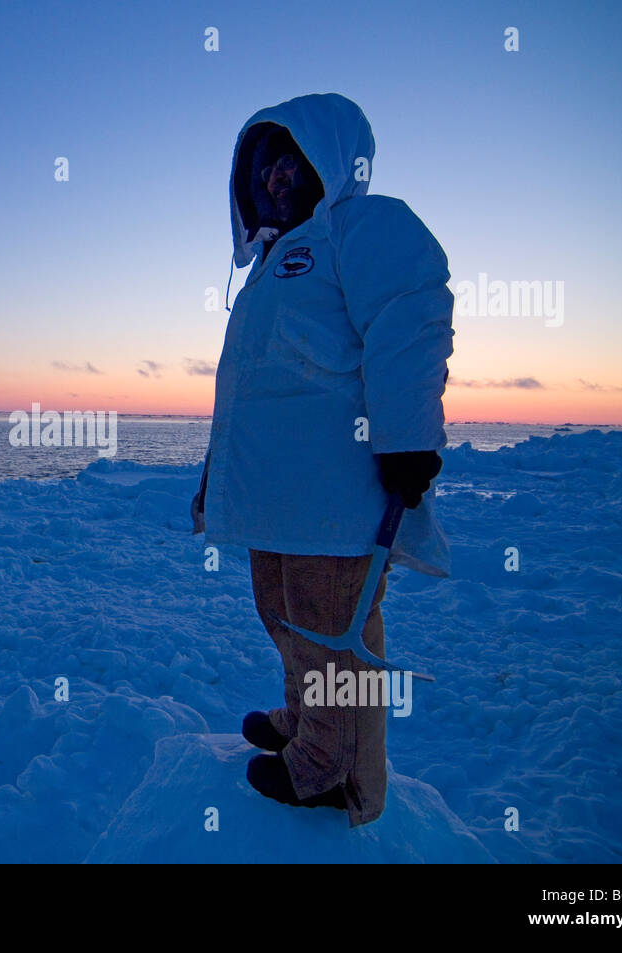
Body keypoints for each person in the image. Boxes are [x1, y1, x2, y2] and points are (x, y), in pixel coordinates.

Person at [200, 93, 454, 828]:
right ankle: (305, 715)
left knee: (327, 627)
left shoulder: (362, 227)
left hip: (334, 493)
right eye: (267, 163)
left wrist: (408, 438)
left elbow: (410, 318)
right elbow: (246, 393)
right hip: (277, 496)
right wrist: (216, 482)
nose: (278, 176)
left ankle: (332, 766)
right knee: (283, 613)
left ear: (333, 158)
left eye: (294, 158)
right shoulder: (271, 268)